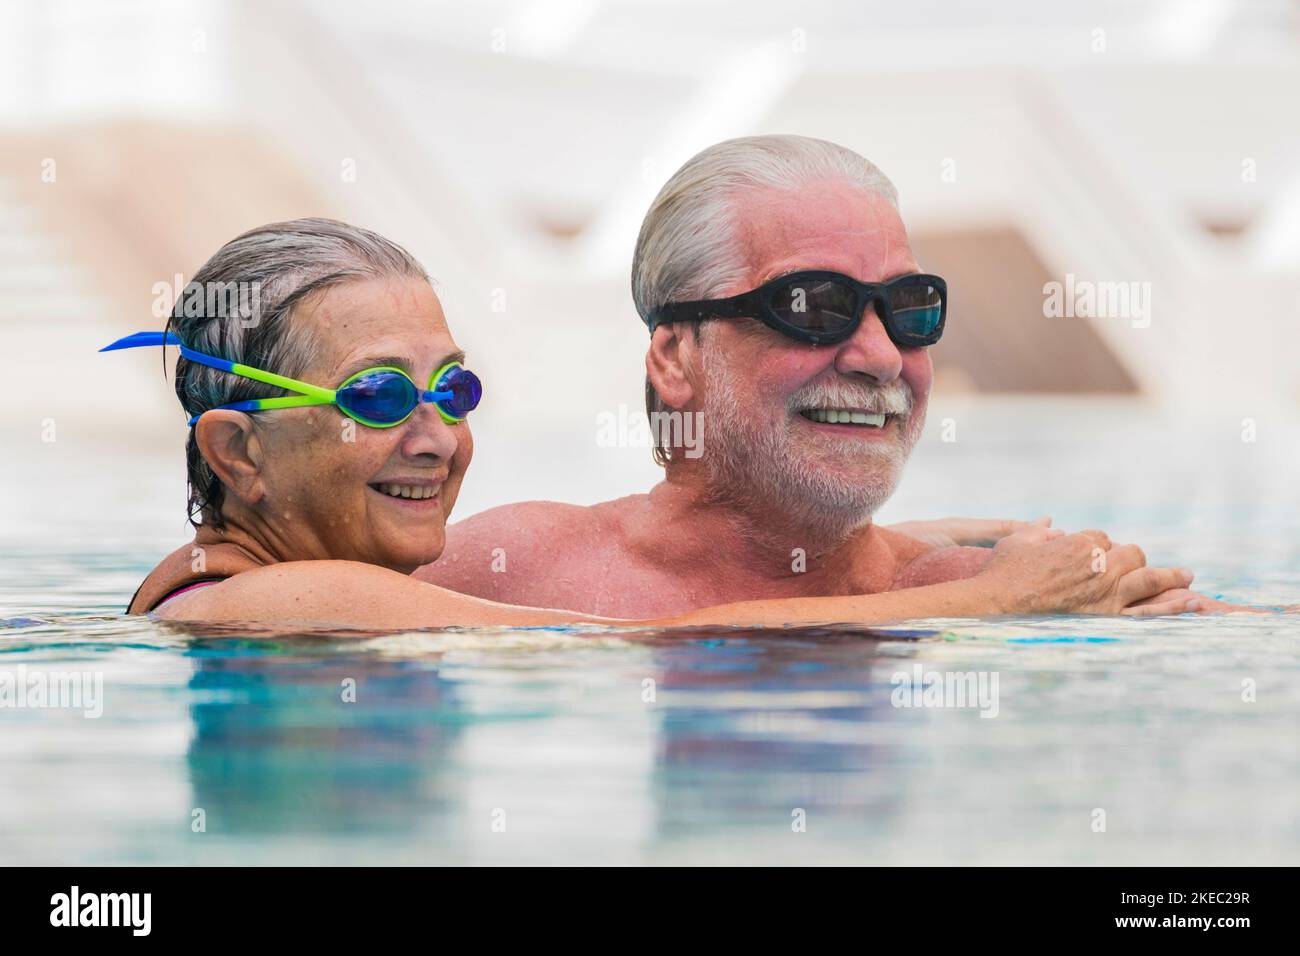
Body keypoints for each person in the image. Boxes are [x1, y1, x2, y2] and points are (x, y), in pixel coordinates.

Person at [112, 218, 1195, 629]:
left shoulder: (340, 586)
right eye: (381, 397)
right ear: (238, 451)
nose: (437, 436)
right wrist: (989, 599)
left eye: (454, 391)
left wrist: (975, 536)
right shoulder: (265, 604)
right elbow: (635, 639)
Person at [417, 135, 1216, 617]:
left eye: (910, 306)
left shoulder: (1009, 588)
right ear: (673, 358)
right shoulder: (510, 570)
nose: (878, 357)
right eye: (812, 304)